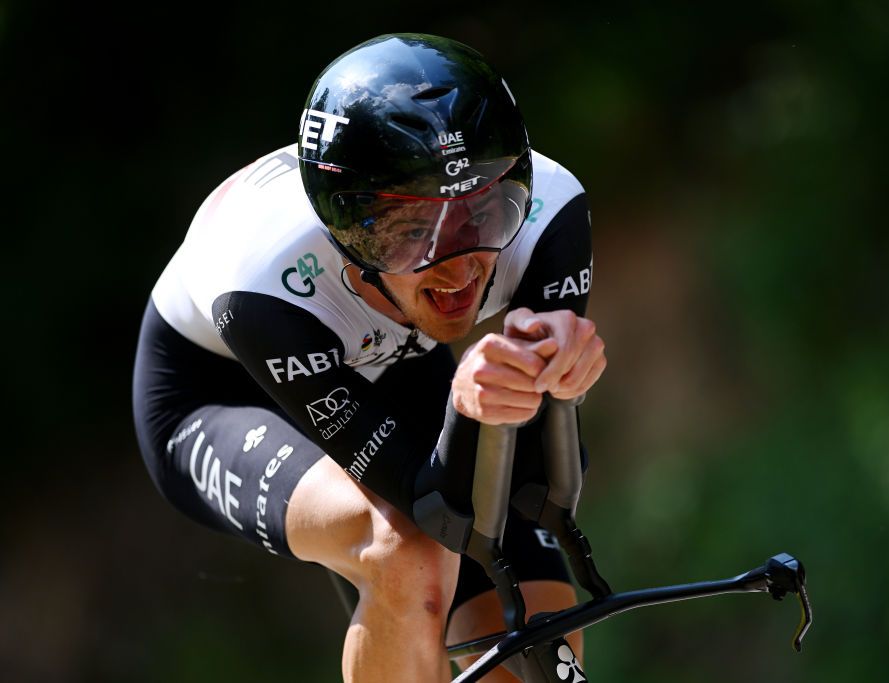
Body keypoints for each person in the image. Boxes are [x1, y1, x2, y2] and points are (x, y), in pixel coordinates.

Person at [132, 33, 604, 682]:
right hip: (225, 386)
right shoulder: (265, 283)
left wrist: (556, 369)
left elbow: (542, 475)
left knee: (540, 636)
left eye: (482, 215)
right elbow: (429, 502)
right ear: (349, 235)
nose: (462, 264)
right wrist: (471, 403)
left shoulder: (549, 209)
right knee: (403, 552)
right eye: (412, 232)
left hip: (395, 356)